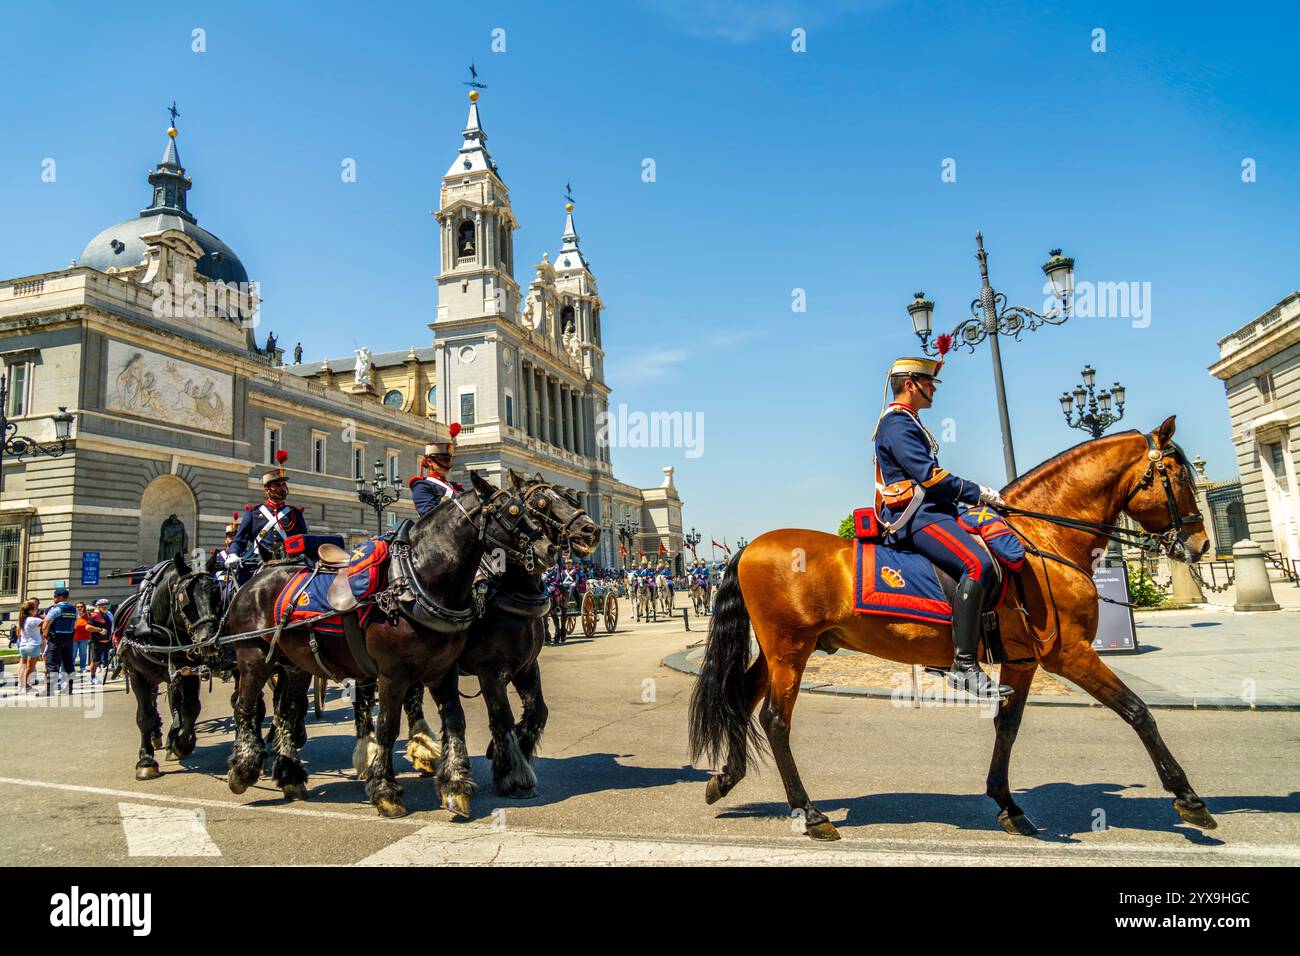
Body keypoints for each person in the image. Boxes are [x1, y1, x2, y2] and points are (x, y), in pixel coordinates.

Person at [873, 355, 1010, 700]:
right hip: (920, 518)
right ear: (910, 385)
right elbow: (930, 477)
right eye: (928, 383)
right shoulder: (897, 424)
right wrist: (978, 492)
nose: (933, 389)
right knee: (977, 565)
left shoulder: (909, 421)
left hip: (935, 512)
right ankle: (964, 665)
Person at [229, 453, 309, 572]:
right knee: (239, 586)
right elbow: (239, 540)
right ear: (267, 490)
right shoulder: (253, 513)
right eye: (277, 485)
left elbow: (304, 539)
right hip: (259, 564)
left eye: (283, 484)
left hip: (289, 563)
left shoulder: (294, 513)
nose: (282, 488)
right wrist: (233, 554)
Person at [410, 424, 463, 516]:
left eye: (448, 459)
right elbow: (429, 515)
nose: (446, 463)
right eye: (442, 459)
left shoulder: (455, 487)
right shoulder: (422, 485)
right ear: (430, 462)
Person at [42, 587, 79, 694]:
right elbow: (75, 625)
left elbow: (46, 623)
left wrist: (45, 635)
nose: (53, 598)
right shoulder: (74, 609)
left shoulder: (56, 609)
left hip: (56, 638)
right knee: (68, 664)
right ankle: (69, 688)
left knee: (52, 664)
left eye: (55, 596)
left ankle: (50, 690)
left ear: (61, 597)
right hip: (68, 639)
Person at [17, 598, 44, 693]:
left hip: (23, 645)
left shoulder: (22, 620)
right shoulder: (35, 620)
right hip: (33, 645)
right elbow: (46, 624)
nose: (37, 610)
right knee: (31, 667)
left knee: (22, 666)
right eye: (35, 608)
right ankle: (26, 685)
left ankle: (20, 685)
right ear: (31, 610)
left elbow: (18, 632)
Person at [87, 601, 113, 684]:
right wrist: (99, 629)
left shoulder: (107, 615)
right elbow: (87, 627)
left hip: (108, 641)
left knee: (118, 656)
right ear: (98, 607)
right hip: (97, 642)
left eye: (106, 606)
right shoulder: (94, 615)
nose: (105, 607)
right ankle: (92, 677)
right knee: (95, 661)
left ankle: (122, 673)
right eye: (103, 606)